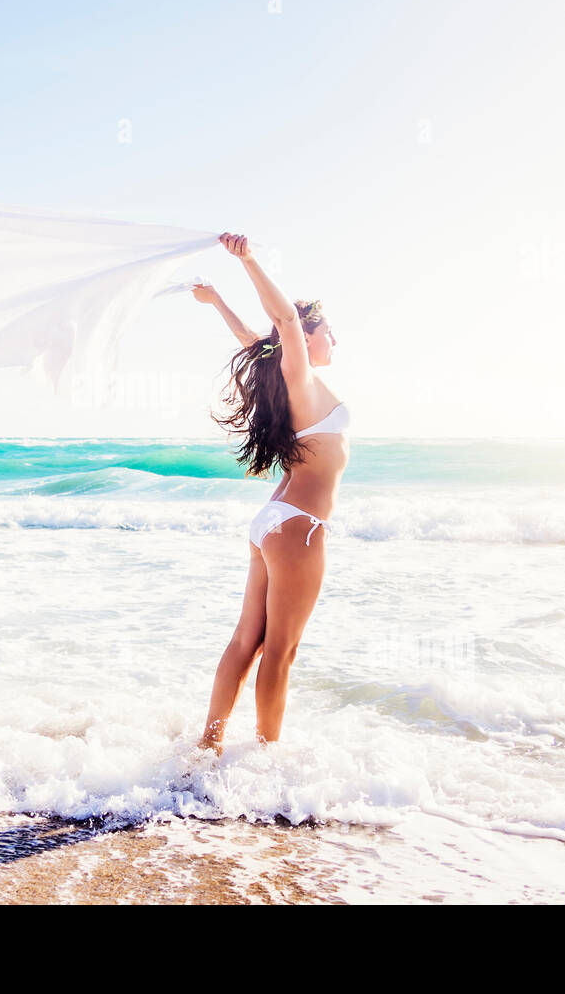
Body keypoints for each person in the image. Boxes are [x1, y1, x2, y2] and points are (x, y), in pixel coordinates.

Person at [193, 233, 349, 753]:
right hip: (297, 526)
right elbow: (282, 322)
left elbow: (254, 342)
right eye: (328, 332)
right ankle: (266, 758)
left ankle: (208, 746)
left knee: (247, 640)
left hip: (274, 521)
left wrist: (217, 302)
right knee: (279, 651)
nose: (335, 340)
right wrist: (250, 261)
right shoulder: (297, 377)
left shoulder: (285, 380)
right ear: (306, 336)